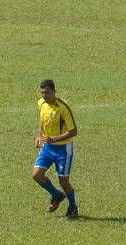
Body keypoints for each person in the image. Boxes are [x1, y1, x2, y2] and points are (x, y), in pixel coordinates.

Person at [32, 78, 79, 219]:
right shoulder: (41, 103)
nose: (44, 96)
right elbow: (42, 118)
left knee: (64, 182)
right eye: (42, 93)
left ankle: (73, 206)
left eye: (47, 92)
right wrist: (40, 135)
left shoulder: (63, 108)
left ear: (54, 92)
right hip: (48, 147)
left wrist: (54, 139)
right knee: (37, 175)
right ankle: (56, 195)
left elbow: (73, 131)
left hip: (63, 149)